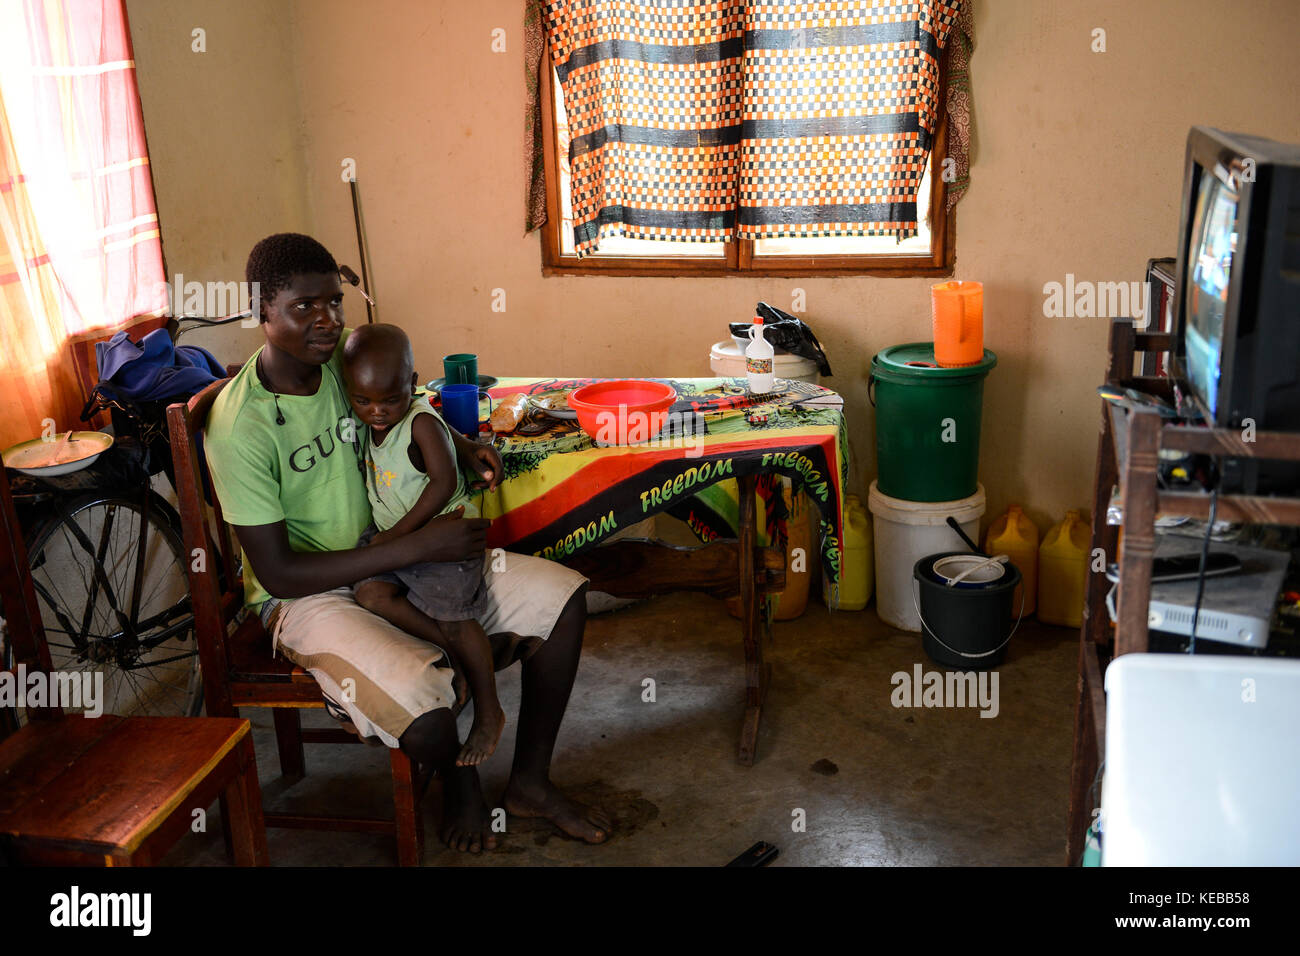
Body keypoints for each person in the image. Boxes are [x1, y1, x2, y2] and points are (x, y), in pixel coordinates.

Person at [203, 233, 611, 852]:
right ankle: (461, 782)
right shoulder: (241, 426)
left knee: (562, 602)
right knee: (428, 721)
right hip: (309, 597)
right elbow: (281, 575)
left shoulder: (343, 362)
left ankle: (528, 784)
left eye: (334, 303)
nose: (328, 322)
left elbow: (405, 396)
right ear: (260, 314)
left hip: (403, 561)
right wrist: (417, 548)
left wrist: (455, 441)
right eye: (304, 307)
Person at [342, 323, 504, 767]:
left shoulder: (421, 424)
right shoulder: (372, 418)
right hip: (398, 540)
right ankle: (451, 655)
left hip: (441, 540)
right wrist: (392, 543)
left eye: (390, 399)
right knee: (371, 593)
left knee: (455, 618)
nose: (376, 411)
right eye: (363, 401)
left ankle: (489, 709)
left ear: (411, 387)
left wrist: (396, 538)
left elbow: (444, 482)